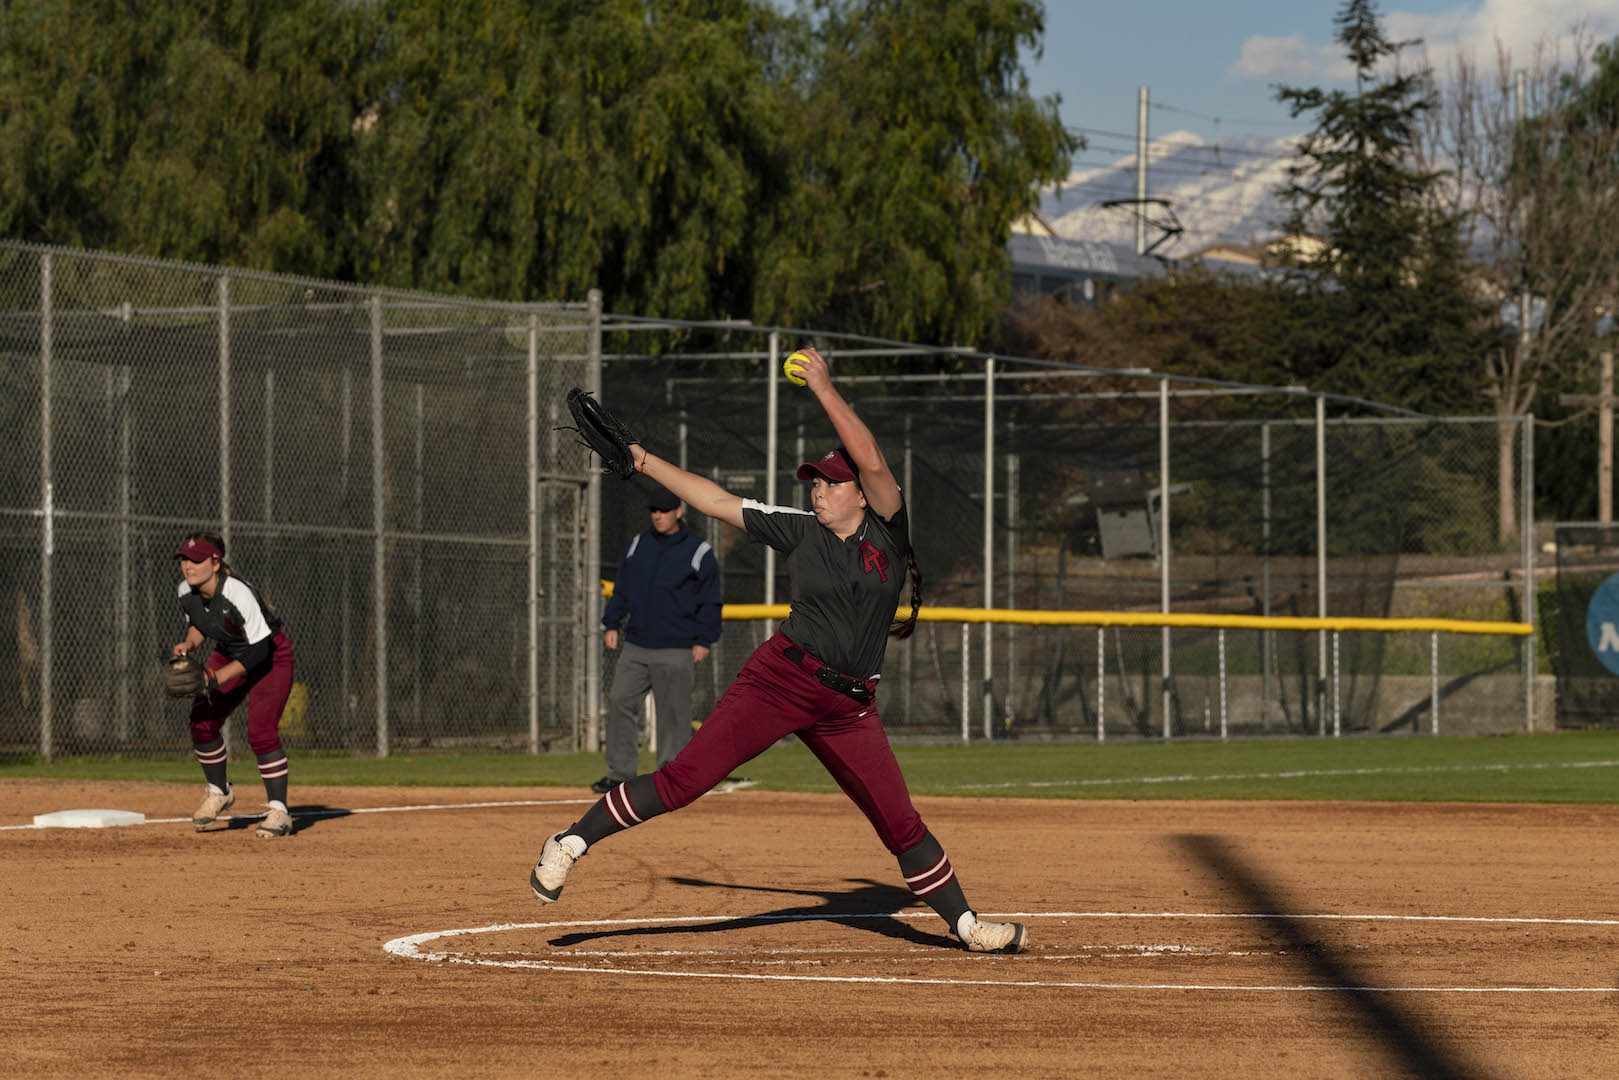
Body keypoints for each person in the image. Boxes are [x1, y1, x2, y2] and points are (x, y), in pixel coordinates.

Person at [531, 348, 1028, 954]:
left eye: (829, 482)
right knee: (686, 779)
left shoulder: (888, 534)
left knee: (898, 821)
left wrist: (822, 385)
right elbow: (714, 500)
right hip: (780, 682)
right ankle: (571, 842)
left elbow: (869, 456)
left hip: (849, 708)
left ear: (862, 494)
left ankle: (967, 925)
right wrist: (642, 461)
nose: (818, 491)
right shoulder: (799, 529)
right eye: (814, 482)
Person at [595, 480, 722, 794]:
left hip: (677, 647)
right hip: (636, 644)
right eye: (653, 510)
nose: (658, 515)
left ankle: (671, 778)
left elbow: (710, 600)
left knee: (674, 715)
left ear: (678, 511)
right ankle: (620, 772)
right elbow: (622, 588)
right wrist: (611, 623)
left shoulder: (699, 551)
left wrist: (704, 639)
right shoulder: (639, 544)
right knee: (620, 701)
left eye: (664, 510)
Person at [170, 532, 296, 838]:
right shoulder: (186, 590)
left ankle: (279, 811)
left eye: (197, 559)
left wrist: (216, 677)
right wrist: (189, 643)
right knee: (201, 721)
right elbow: (201, 624)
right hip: (230, 652)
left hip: (270, 656)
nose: (189, 566)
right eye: (185, 559)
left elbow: (259, 650)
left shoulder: (236, 592)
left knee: (260, 731)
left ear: (215, 562)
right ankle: (219, 791)